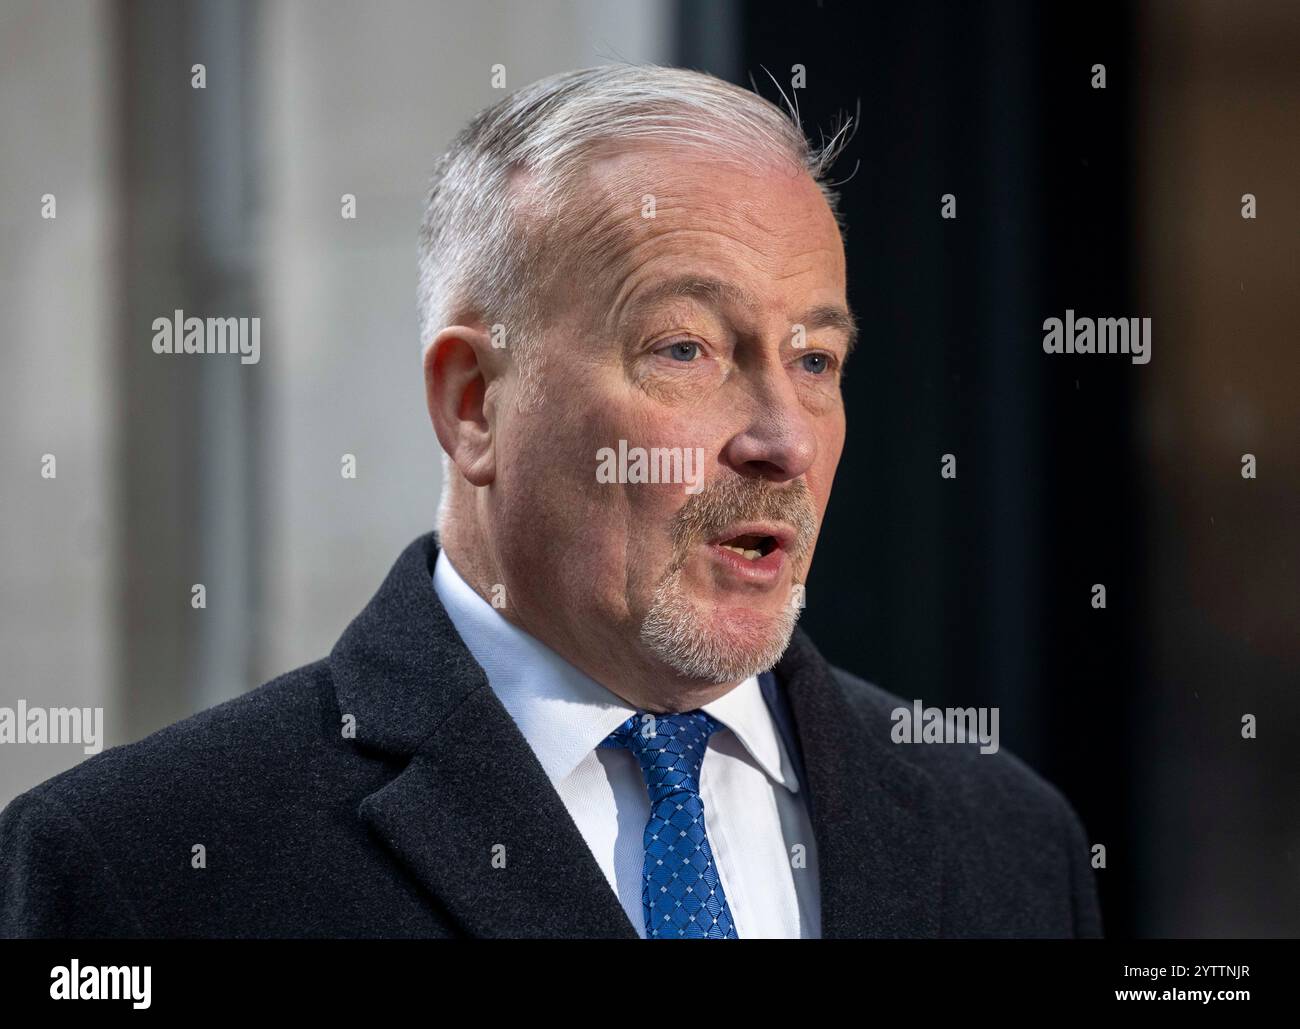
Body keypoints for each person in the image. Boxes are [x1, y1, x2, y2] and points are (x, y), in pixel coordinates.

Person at [0, 64, 1101, 939]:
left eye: (815, 359)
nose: (781, 439)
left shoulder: (1004, 837)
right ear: (474, 403)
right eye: (687, 349)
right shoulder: (140, 870)